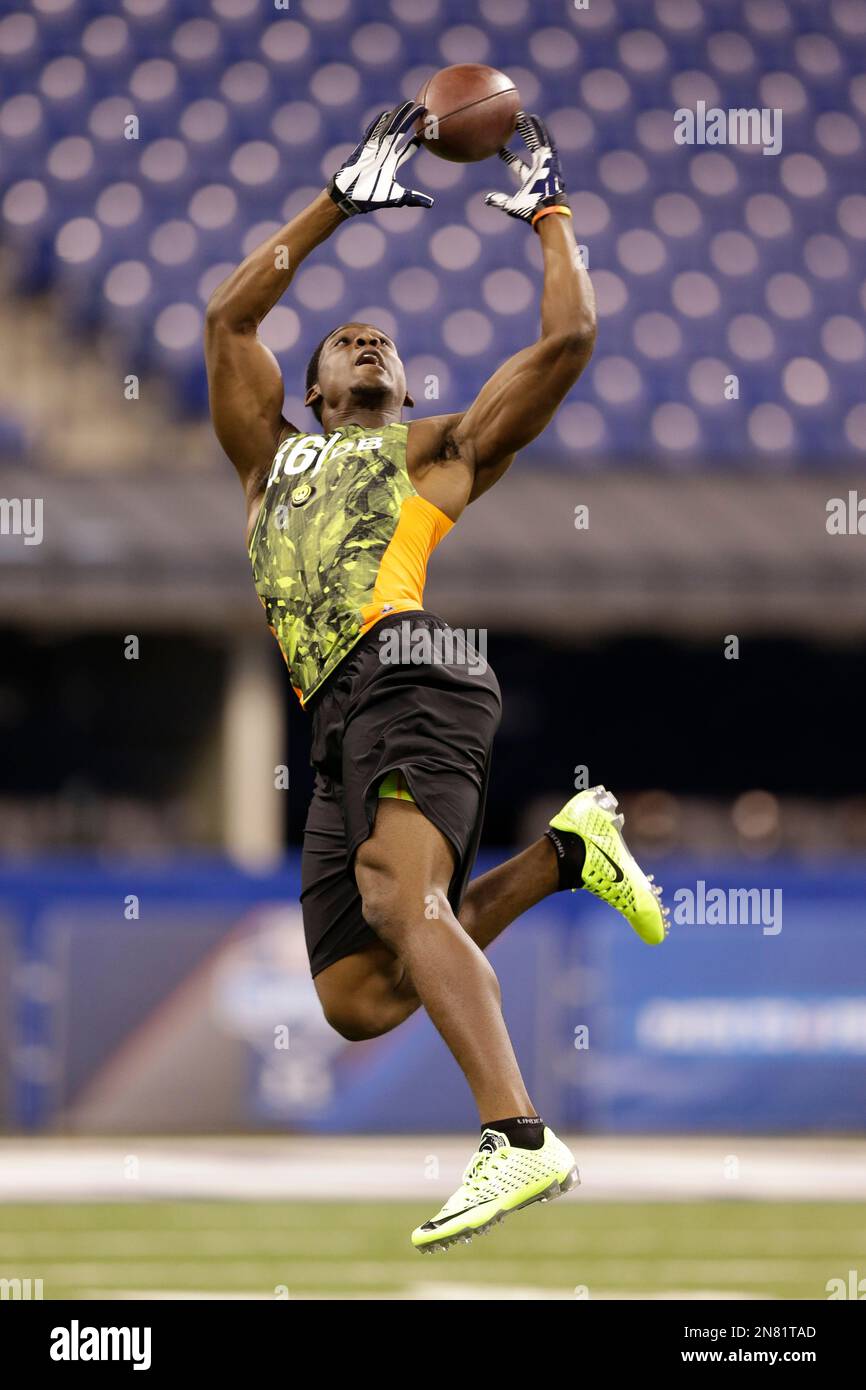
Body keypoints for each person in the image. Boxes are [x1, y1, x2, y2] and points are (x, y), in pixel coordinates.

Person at [205, 103, 668, 1252]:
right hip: (334, 719)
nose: (368, 345)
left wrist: (551, 218)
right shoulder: (266, 462)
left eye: (386, 346)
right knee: (358, 997)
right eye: (345, 341)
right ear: (308, 391)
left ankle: (515, 1137)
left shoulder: (437, 452)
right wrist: (334, 204)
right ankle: (567, 854)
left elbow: (566, 346)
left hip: (413, 669)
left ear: (405, 391)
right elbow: (227, 315)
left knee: (399, 899)